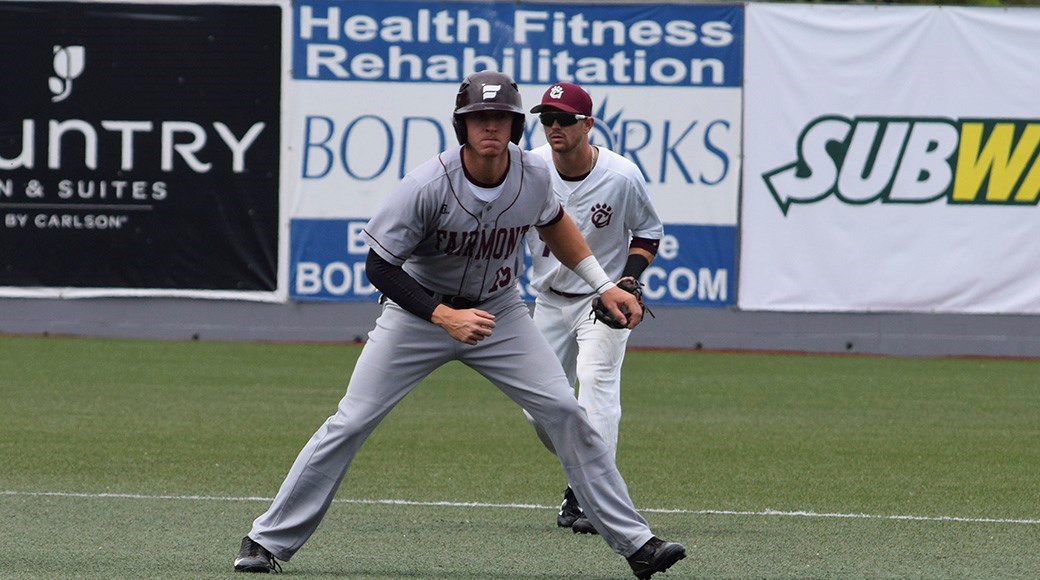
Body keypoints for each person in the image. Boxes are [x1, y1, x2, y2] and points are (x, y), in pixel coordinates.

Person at [232, 71, 686, 579]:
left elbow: (558, 227)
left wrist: (604, 285)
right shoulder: (427, 185)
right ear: (461, 126)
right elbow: (379, 267)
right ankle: (265, 539)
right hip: (417, 315)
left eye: (500, 117)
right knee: (351, 421)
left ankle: (638, 545)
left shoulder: (533, 174)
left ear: (515, 126)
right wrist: (442, 315)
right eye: (478, 118)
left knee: (565, 410)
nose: (489, 126)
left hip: (500, 310)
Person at [522, 82, 664, 535]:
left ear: (588, 124)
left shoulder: (621, 176)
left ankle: (586, 497)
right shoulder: (530, 169)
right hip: (547, 299)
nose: (554, 127)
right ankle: (580, 470)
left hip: (601, 302)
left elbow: (647, 233)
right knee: (540, 408)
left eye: (564, 119)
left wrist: (627, 279)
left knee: (597, 388)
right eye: (547, 119)